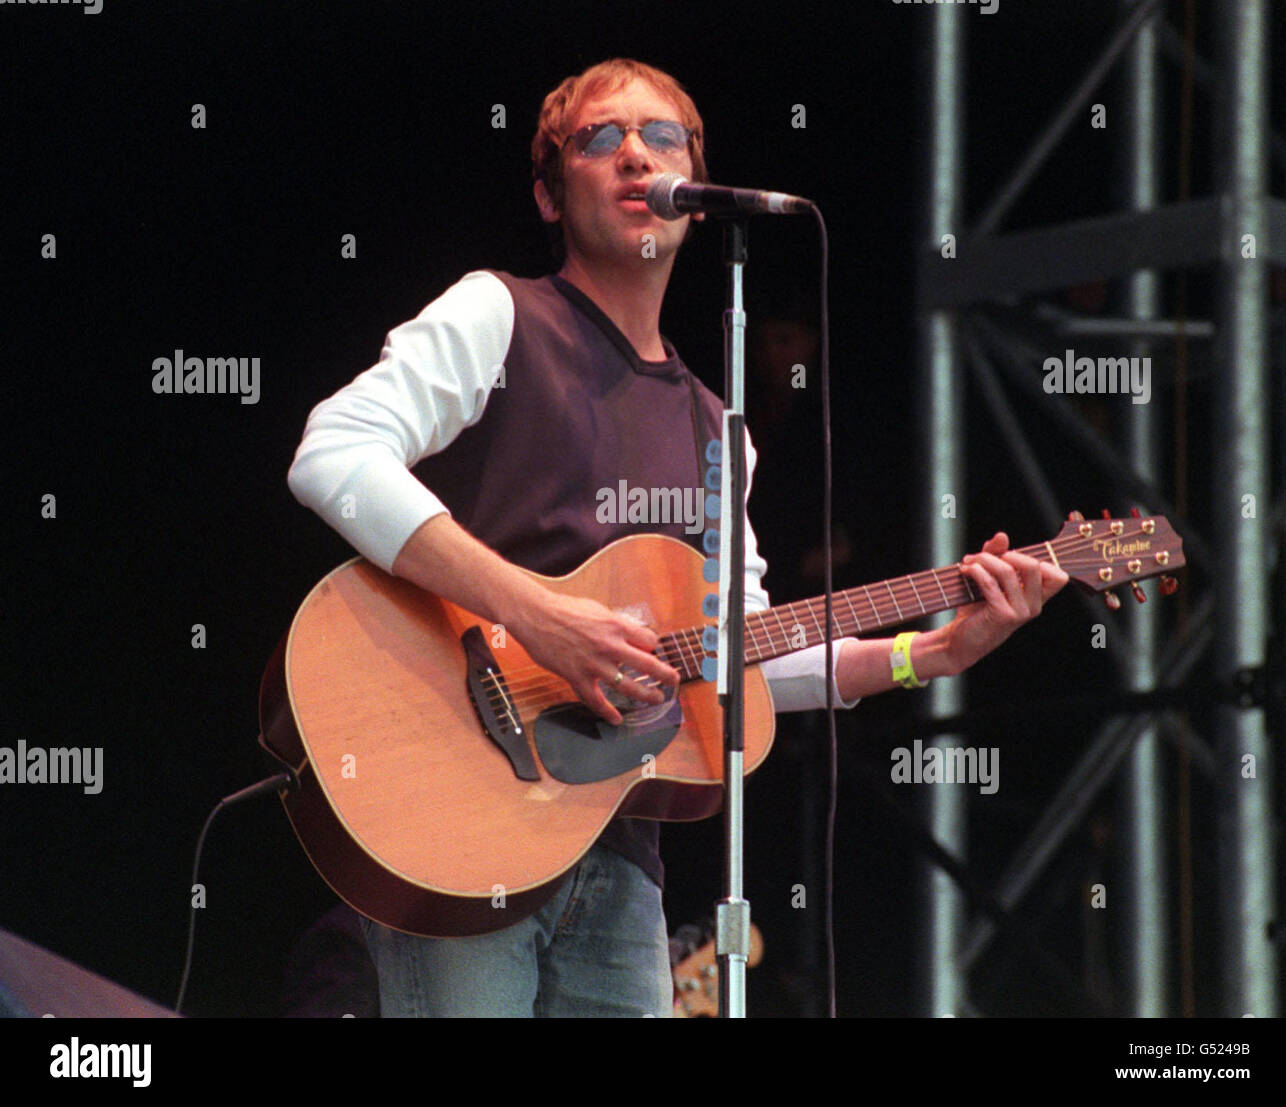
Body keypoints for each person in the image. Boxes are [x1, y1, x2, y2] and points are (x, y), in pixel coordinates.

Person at [286, 57, 1069, 1017]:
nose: (633, 155)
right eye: (598, 138)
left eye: (662, 138)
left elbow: (736, 656)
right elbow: (333, 452)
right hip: (461, 819)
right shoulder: (499, 316)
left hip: (621, 854)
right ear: (548, 191)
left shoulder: (718, 428)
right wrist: (535, 614)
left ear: (696, 195)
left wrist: (933, 652)